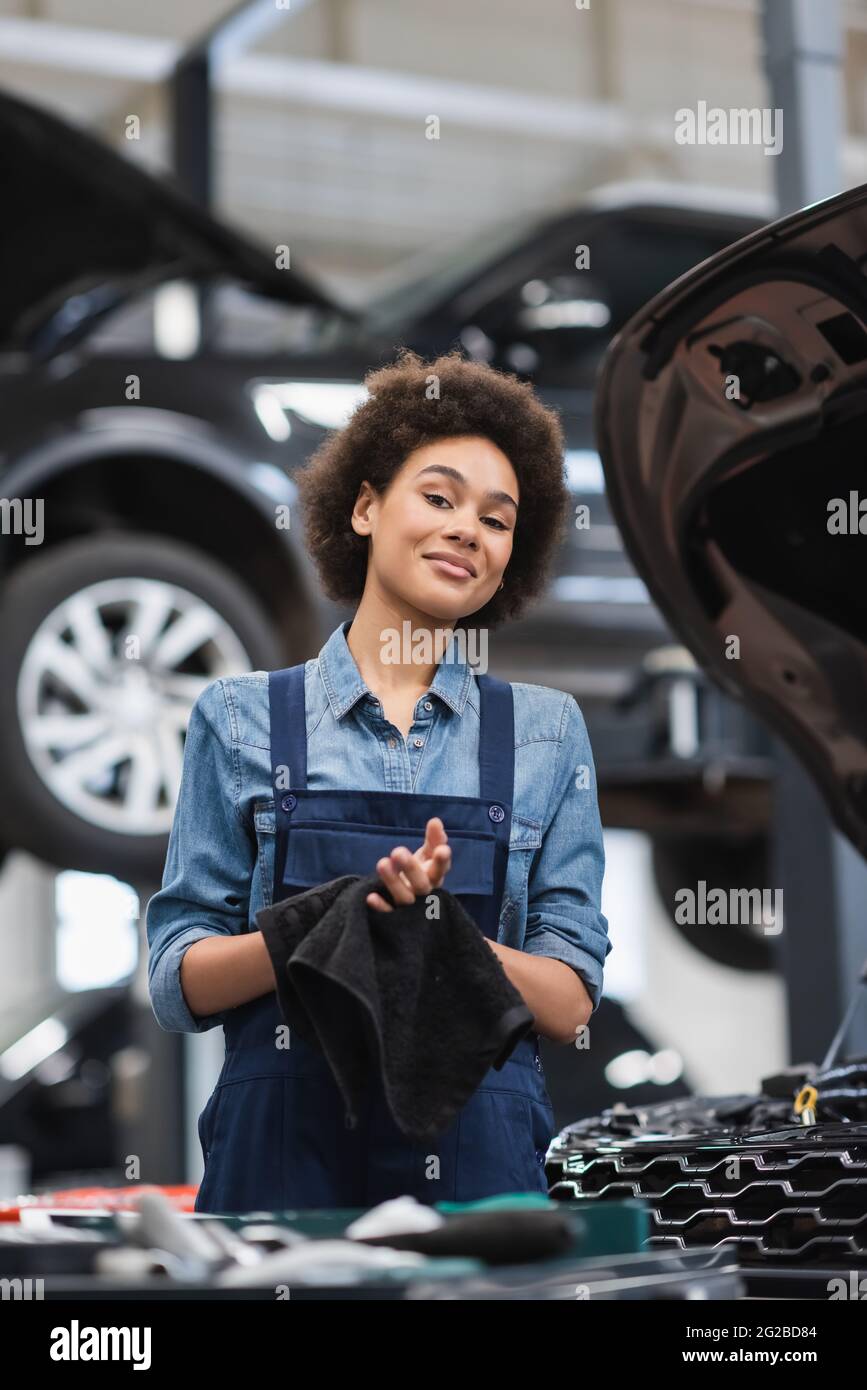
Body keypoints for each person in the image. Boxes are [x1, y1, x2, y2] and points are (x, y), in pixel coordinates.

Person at [147, 348, 611, 1212]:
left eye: (497, 519)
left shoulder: (546, 734)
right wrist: (328, 922)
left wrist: (433, 933)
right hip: (281, 1164)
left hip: (476, 1175)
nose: (468, 529)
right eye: (438, 498)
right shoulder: (240, 717)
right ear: (364, 507)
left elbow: (569, 1001)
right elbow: (179, 981)